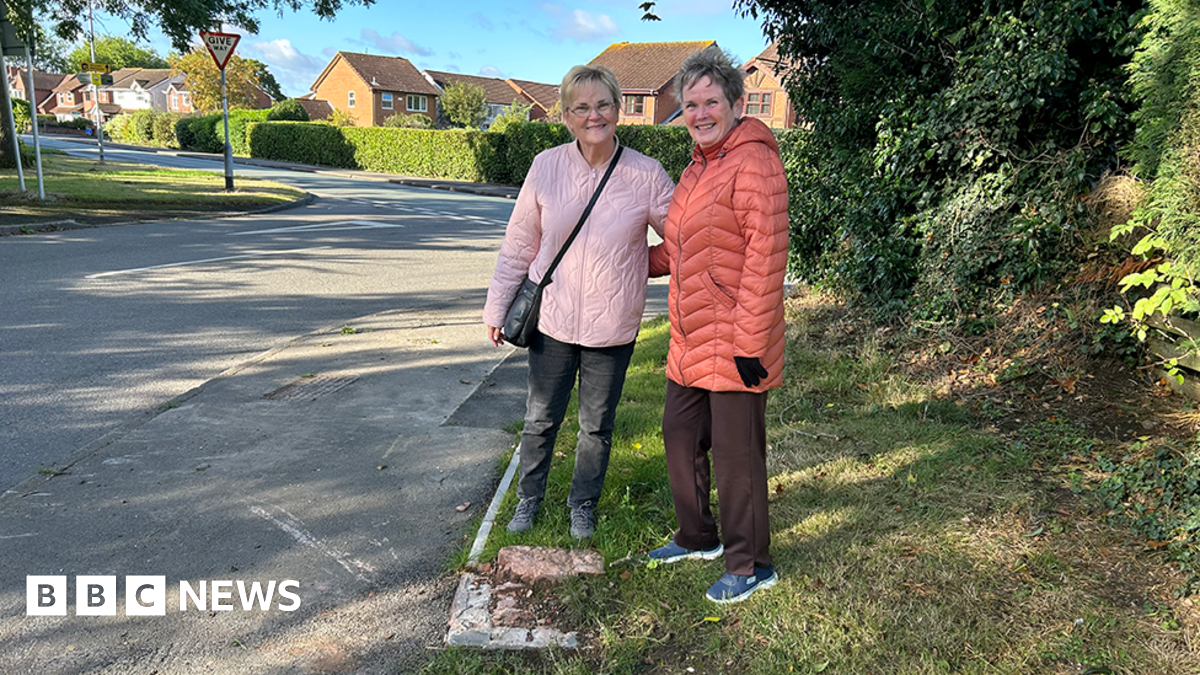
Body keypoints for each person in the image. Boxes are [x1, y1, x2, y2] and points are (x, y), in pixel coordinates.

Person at [483, 64, 675, 540]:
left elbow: (682, 238)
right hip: (552, 319)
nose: (595, 116)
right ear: (567, 117)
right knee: (540, 417)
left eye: (604, 105)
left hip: (613, 325)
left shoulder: (646, 174)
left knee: (596, 426)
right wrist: (496, 306)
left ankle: (582, 505)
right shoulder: (545, 167)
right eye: (582, 108)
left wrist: (639, 263)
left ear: (618, 108)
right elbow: (520, 243)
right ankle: (529, 499)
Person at [646, 48, 789, 603]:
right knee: (681, 437)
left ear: (734, 102)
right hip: (691, 336)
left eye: (710, 101)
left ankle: (750, 563)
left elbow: (765, 253)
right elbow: (684, 246)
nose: (699, 112)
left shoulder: (753, 161)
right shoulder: (700, 163)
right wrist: (630, 259)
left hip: (737, 340)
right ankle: (697, 535)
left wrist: (750, 343)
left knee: (736, 457)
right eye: (690, 104)